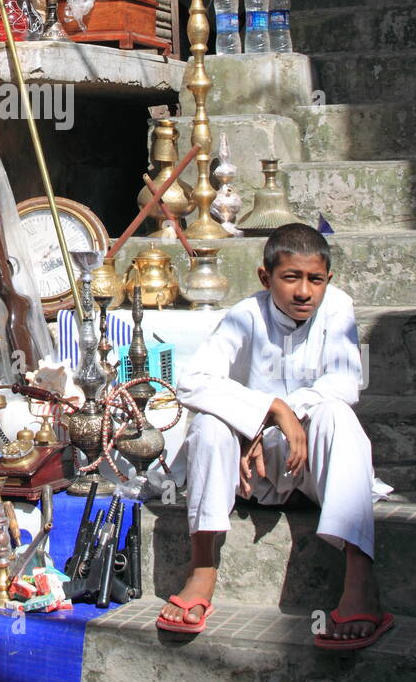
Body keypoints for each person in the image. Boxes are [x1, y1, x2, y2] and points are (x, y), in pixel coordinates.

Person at [158, 223, 393, 650]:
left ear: (328, 281)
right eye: (291, 278)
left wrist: (284, 416)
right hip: (249, 474)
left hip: (308, 472)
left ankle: (360, 581)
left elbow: (344, 383)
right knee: (210, 424)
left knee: (337, 415)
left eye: (315, 279)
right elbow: (192, 382)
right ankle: (203, 567)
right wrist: (270, 410)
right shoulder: (247, 314)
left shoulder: (338, 309)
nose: (304, 292)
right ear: (266, 279)